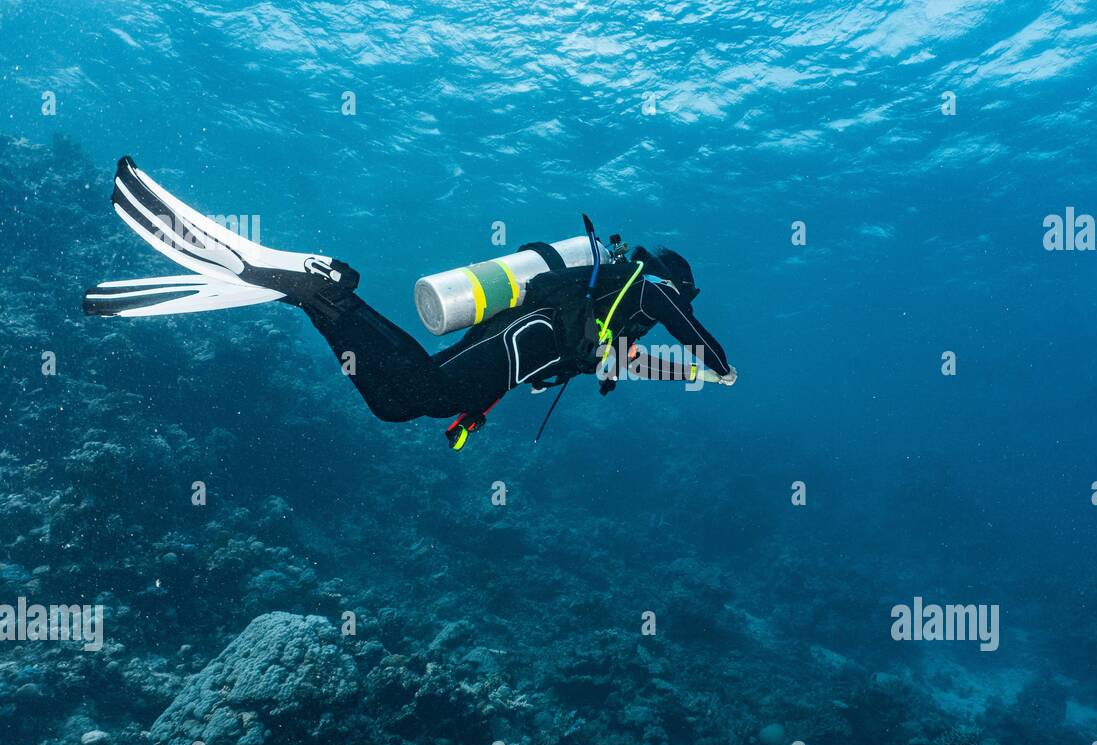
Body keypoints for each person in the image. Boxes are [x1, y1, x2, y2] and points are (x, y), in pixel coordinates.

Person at [84, 157, 736, 449]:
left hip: (528, 345)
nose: (663, 317)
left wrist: (690, 374)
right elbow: (689, 330)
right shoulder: (647, 290)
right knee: (421, 391)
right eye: (677, 298)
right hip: (525, 335)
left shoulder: (616, 319)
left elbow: (620, 363)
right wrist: (721, 365)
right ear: (668, 283)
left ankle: (313, 299)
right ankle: (325, 286)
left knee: (401, 404)